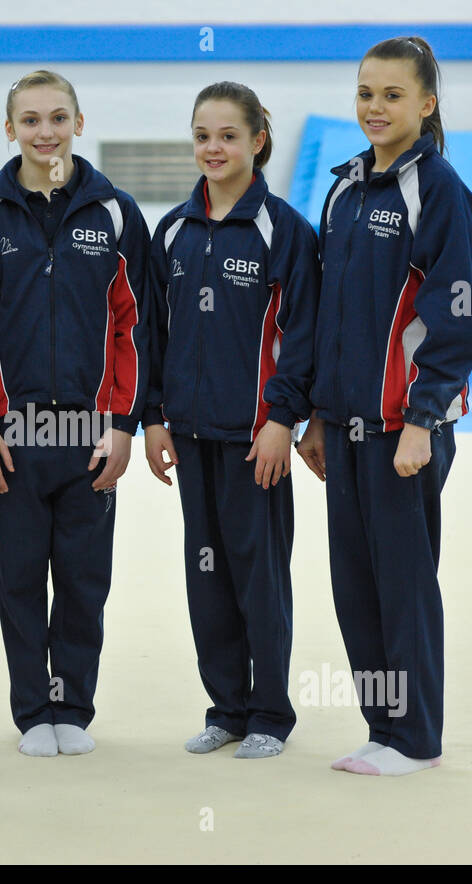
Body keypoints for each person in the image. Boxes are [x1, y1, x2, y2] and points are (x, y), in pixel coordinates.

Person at [0, 70, 151, 757]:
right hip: (13, 436)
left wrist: (123, 424)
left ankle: (74, 707)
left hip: (91, 434)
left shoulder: (116, 213)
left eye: (58, 117)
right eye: (30, 120)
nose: (45, 131)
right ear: (10, 130)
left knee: (85, 581)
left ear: (79, 123)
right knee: (21, 579)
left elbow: (134, 326)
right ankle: (34, 710)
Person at [290, 36, 472, 776]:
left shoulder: (438, 190)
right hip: (344, 423)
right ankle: (383, 727)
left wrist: (423, 420)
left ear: (426, 104)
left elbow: (453, 313)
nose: (375, 107)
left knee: (403, 585)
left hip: (405, 427)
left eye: (393, 95)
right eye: (366, 93)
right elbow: (327, 316)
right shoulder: (343, 190)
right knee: (357, 586)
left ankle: (418, 738)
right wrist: (316, 414)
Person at [142, 82, 320, 759]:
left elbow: (301, 336)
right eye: (202, 136)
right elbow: (152, 334)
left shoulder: (285, 231)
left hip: (255, 441)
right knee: (207, 575)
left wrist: (282, 419)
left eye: (228, 136)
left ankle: (270, 713)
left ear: (257, 141)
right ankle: (227, 708)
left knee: (259, 576)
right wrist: (153, 418)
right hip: (190, 435)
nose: (213, 148)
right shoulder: (174, 231)